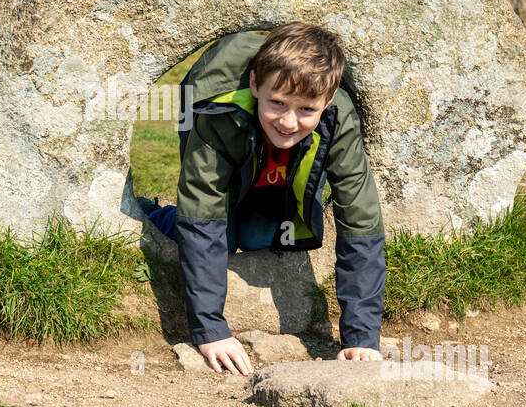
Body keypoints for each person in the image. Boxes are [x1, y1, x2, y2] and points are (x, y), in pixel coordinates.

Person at [136, 23, 386, 375]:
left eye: (305, 110)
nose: (288, 121)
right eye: (277, 103)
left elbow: (360, 223)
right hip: (224, 135)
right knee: (218, 236)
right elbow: (203, 207)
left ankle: (244, 210)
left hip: (274, 175)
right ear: (255, 85)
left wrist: (361, 337)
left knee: (256, 238)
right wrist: (210, 330)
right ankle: (158, 213)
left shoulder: (338, 118)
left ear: (327, 102)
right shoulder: (216, 115)